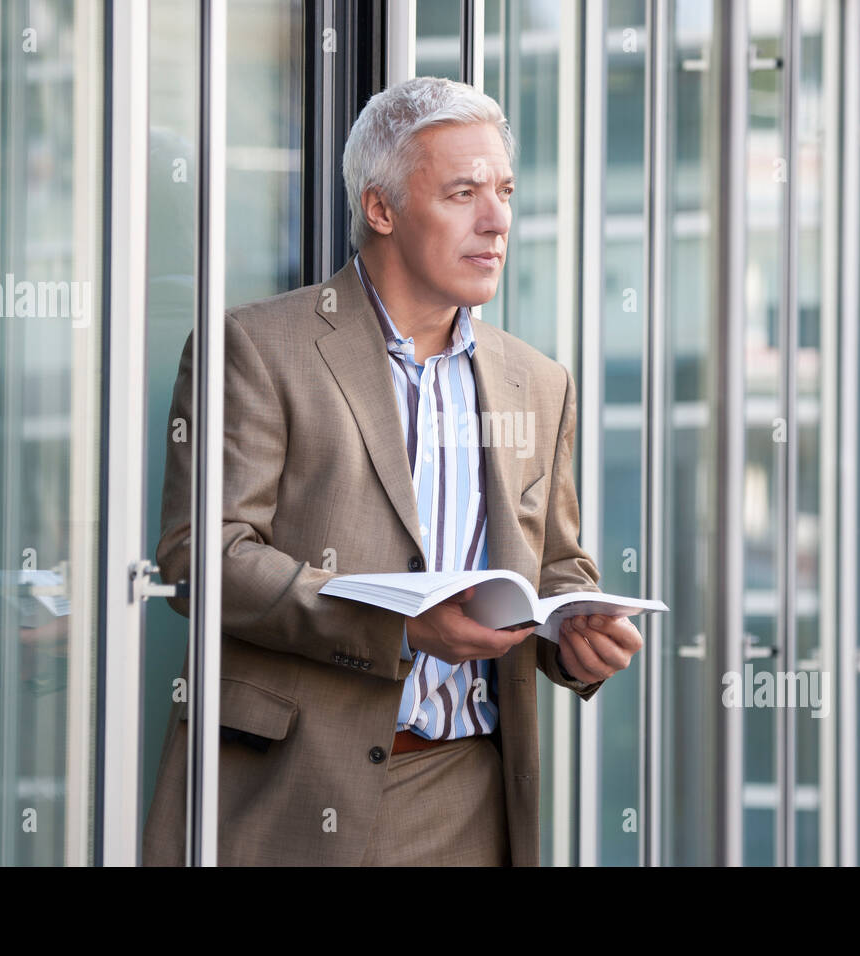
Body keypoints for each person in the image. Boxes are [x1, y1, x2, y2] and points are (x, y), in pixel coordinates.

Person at [142, 76, 642, 867]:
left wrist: (575, 631)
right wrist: (399, 628)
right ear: (381, 209)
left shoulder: (539, 384)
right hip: (290, 799)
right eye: (463, 192)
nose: (497, 219)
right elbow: (202, 557)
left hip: (471, 801)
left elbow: (553, 562)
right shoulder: (258, 349)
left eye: (505, 191)